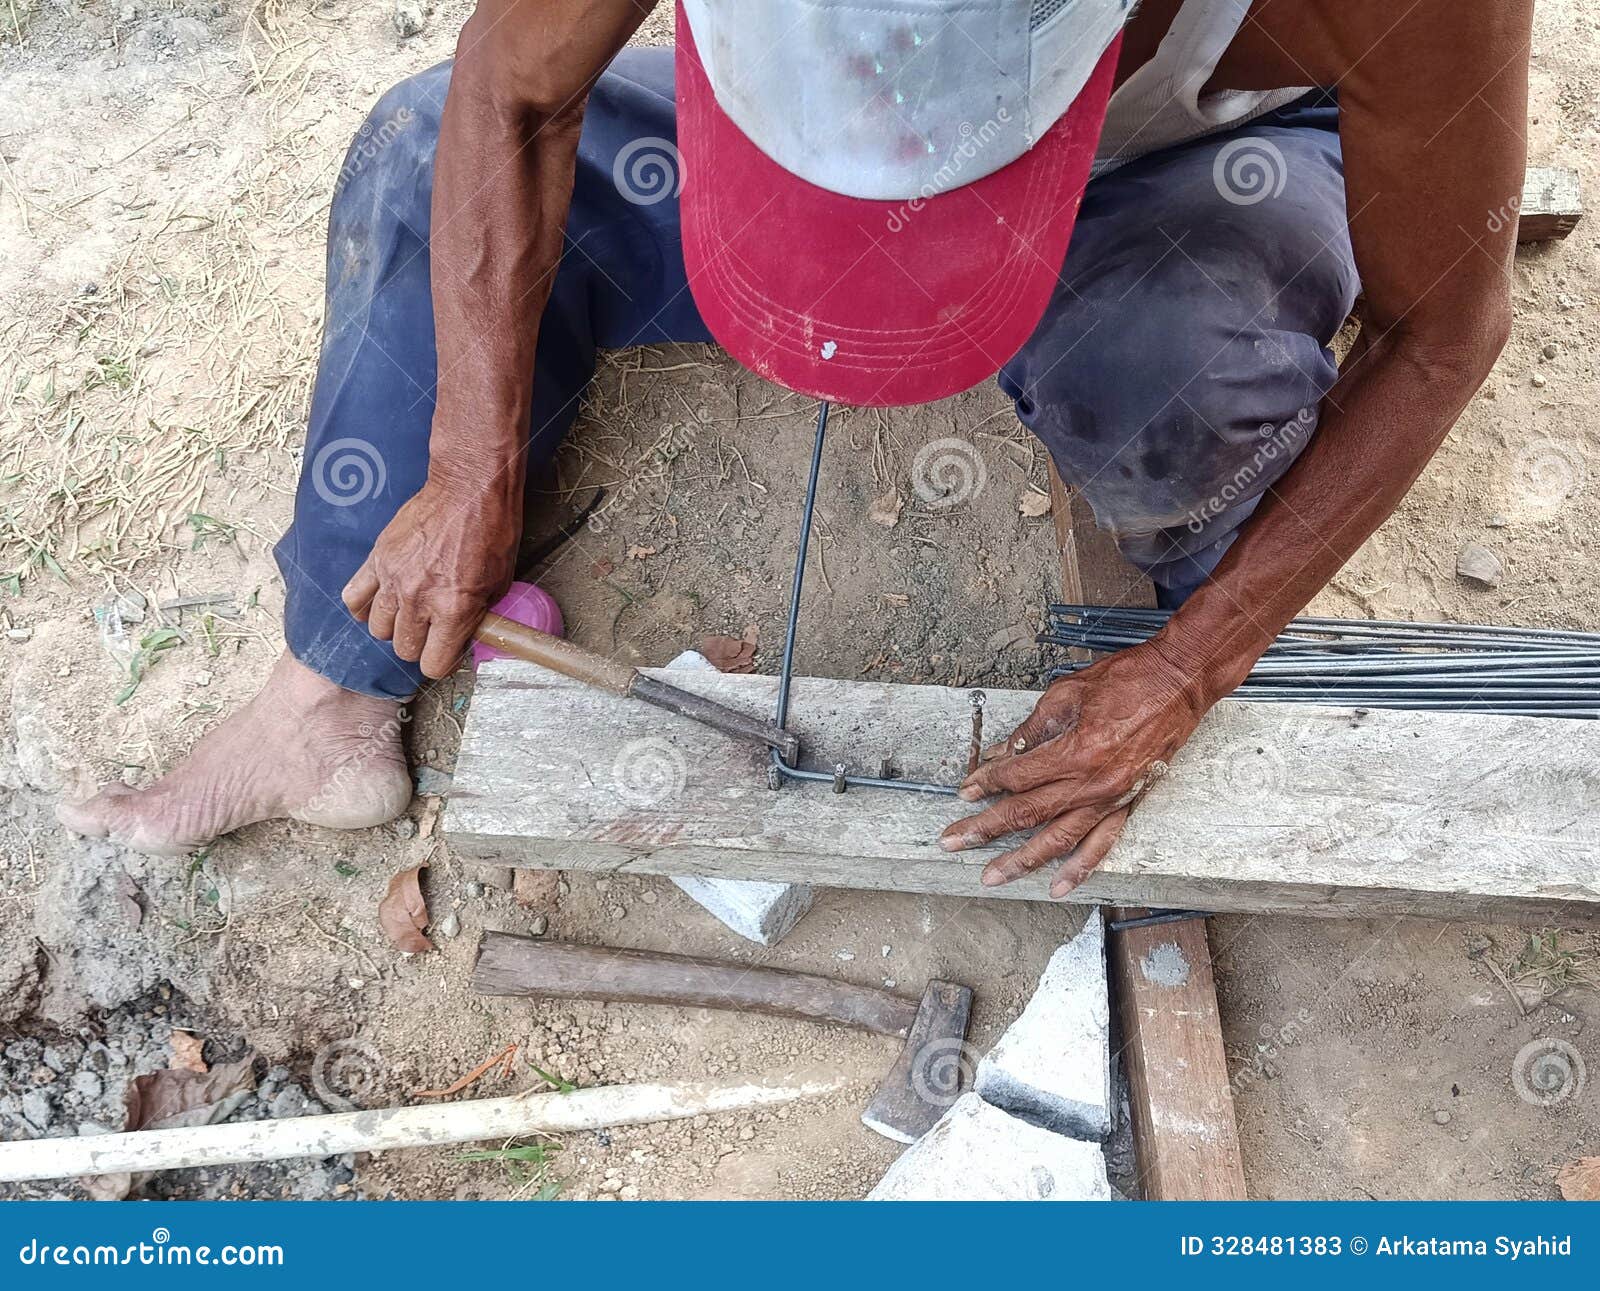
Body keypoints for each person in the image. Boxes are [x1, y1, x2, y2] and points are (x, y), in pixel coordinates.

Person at [60, 0, 1531, 899]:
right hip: (794, 150)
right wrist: (466, 461)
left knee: (1175, 382)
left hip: (1185, 164)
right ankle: (328, 688)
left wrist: (1188, 672)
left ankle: (1211, 646)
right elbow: (510, 92)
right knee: (419, 144)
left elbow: (1442, 334)